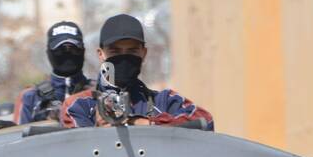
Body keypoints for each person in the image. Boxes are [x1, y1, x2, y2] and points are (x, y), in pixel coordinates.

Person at [61, 13, 213, 130]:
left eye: (132, 51)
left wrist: (141, 123)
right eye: (115, 51)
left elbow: (205, 121)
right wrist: (99, 130)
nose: (124, 57)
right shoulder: (80, 105)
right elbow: (77, 152)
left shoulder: (163, 101)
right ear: (101, 54)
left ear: (143, 53)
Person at [14, 21, 91, 124]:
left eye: (73, 49)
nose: (67, 54)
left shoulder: (97, 93)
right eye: (60, 50)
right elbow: (18, 136)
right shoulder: (30, 97)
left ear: (83, 51)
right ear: (49, 53)